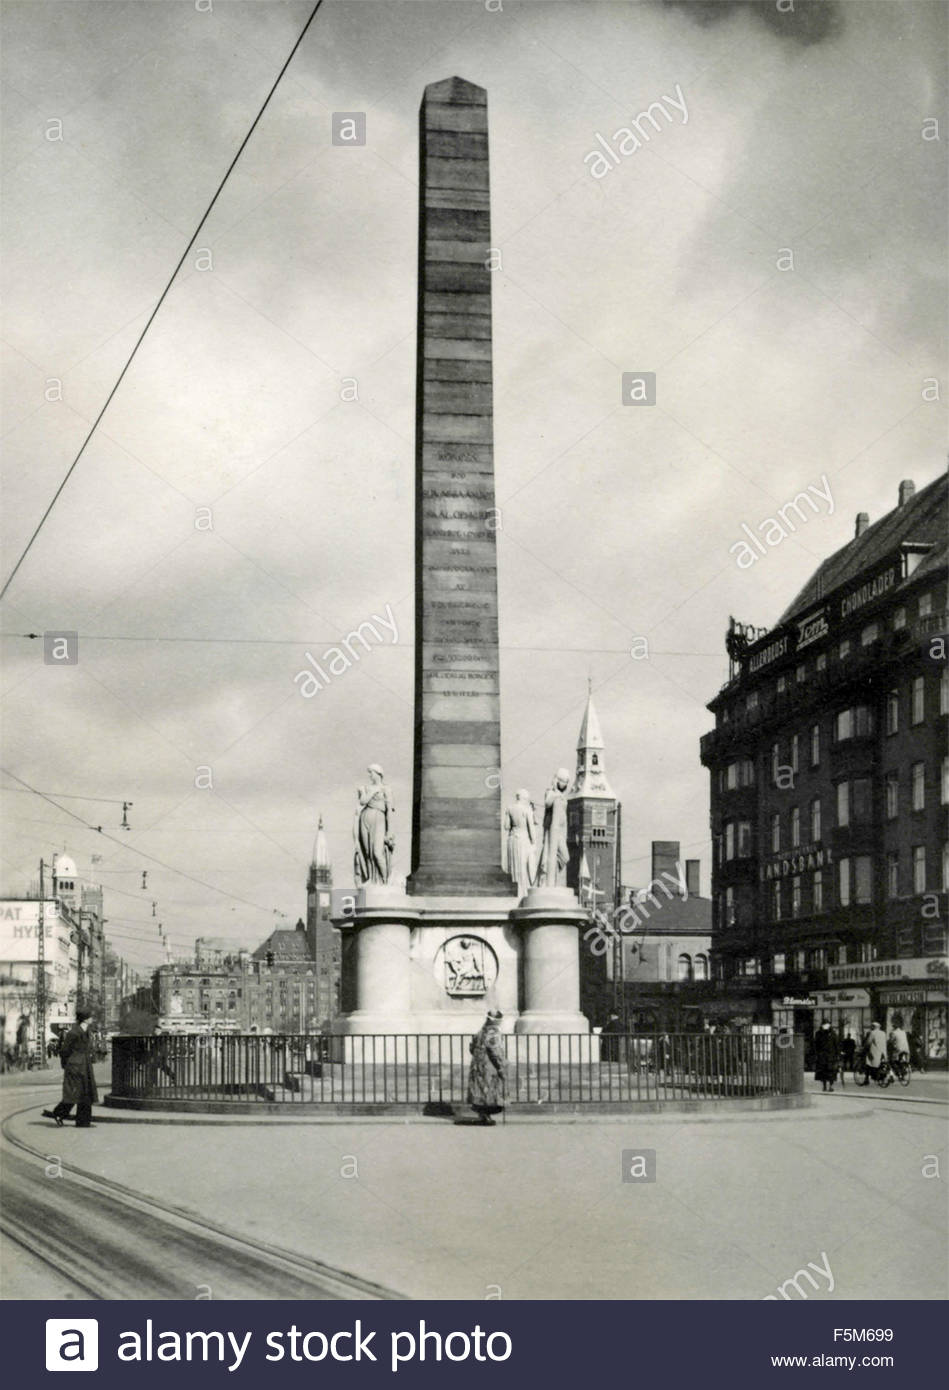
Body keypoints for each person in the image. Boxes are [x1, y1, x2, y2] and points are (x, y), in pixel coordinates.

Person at [42, 1008, 99, 1127]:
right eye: (90, 1017)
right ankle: (59, 1113)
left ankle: (83, 1121)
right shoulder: (73, 1033)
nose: (92, 1019)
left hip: (85, 1065)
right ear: (85, 1019)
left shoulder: (88, 1031)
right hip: (75, 1066)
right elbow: (64, 1050)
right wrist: (68, 1065)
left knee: (86, 1093)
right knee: (73, 1094)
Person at [353, 764, 394, 885]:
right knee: (368, 853)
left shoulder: (387, 789)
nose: (369, 775)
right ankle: (371, 880)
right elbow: (362, 801)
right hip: (365, 818)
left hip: (379, 817)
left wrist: (390, 831)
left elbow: (389, 811)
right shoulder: (366, 787)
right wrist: (371, 791)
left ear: (378, 773)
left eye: (371, 772)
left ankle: (385, 881)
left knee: (377, 852)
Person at [466, 1010, 506, 1125]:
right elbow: (495, 1051)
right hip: (489, 1065)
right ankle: (486, 1116)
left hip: (477, 1065)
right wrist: (501, 1066)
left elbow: (472, 1048)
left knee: (480, 1090)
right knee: (489, 1091)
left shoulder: (480, 1032)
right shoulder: (493, 1033)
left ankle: (483, 1115)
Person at [813, 1020, 839, 1093]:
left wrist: (837, 1054)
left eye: (827, 1024)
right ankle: (824, 1086)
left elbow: (836, 1044)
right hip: (822, 1056)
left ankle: (831, 1086)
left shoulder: (833, 1033)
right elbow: (815, 1045)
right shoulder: (818, 1033)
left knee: (831, 1072)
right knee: (823, 1072)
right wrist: (816, 1054)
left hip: (831, 1056)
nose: (826, 1026)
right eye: (825, 1024)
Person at [861, 1021, 888, 1086]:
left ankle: (866, 1079)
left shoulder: (872, 1033)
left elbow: (868, 1043)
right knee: (882, 1064)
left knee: (868, 1063)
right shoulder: (883, 1033)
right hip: (883, 1052)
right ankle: (881, 1077)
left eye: (871, 1026)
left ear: (873, 1027)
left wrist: (864, 1048)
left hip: (875, 1052)